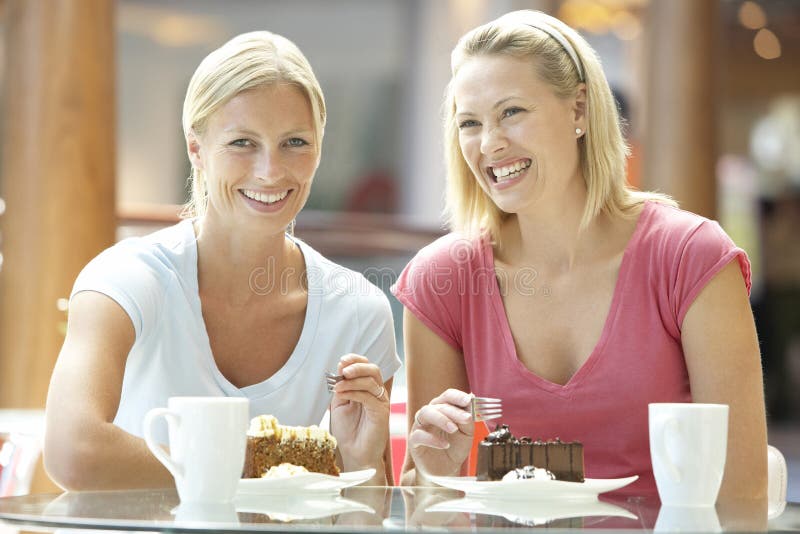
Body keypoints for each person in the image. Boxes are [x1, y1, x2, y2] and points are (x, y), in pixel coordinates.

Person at [392, 10, 767, 500]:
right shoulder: (440, 281)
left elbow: (742, 498)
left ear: (579, 110)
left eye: (512, 112)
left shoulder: (691, 258)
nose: (489, 143)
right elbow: (428, 505)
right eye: (469, 123)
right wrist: (435, 474)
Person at [44, 31, 400, 490]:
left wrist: (354, 463)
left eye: (295, 142)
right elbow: (72, 452)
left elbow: (368, 513)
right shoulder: (126, 281)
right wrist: (261, 470)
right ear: (196, 148)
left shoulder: (357, 312)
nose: (270, 170)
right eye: (242, 143)